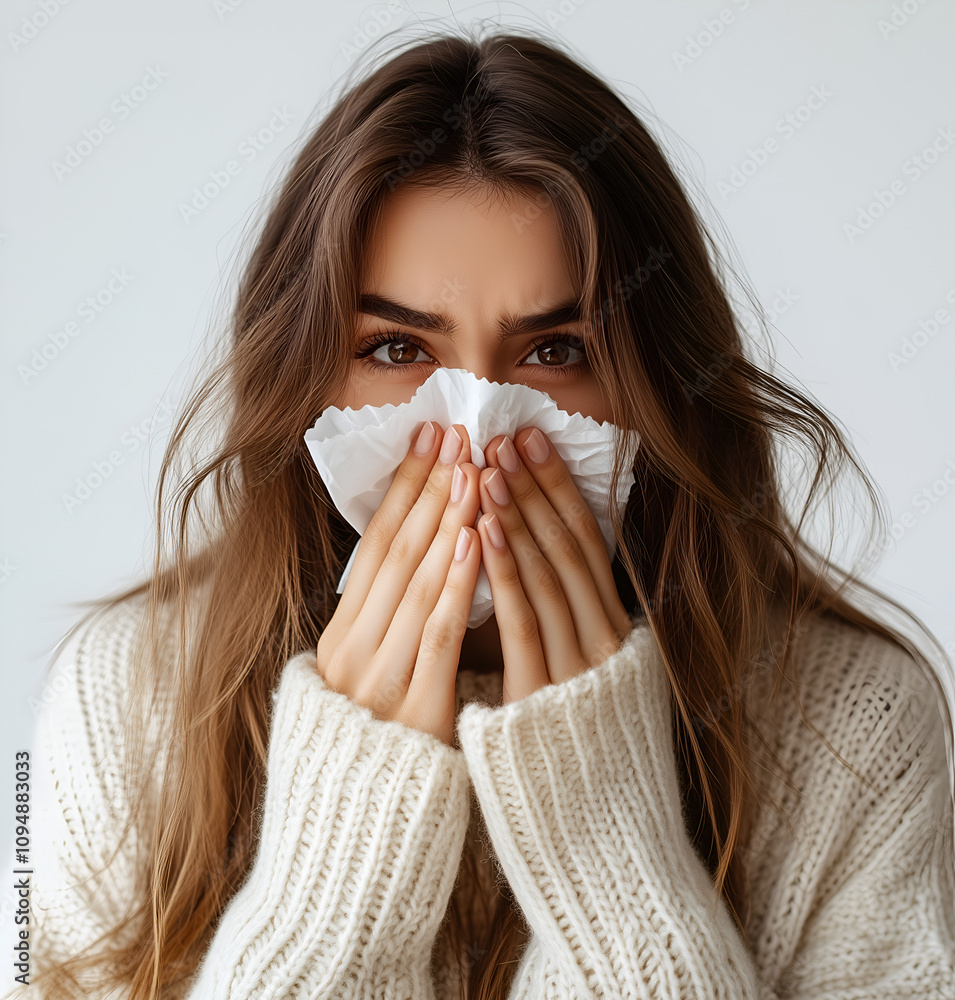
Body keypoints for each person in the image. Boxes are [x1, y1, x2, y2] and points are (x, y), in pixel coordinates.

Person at [13, 25, 954, 1000]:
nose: (473, 429)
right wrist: (335, 885)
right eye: (395, 349)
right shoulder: (124, 700)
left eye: (553, 351)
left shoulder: (853, 727)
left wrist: (616, 868)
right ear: (300, 373)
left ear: (657, 382)